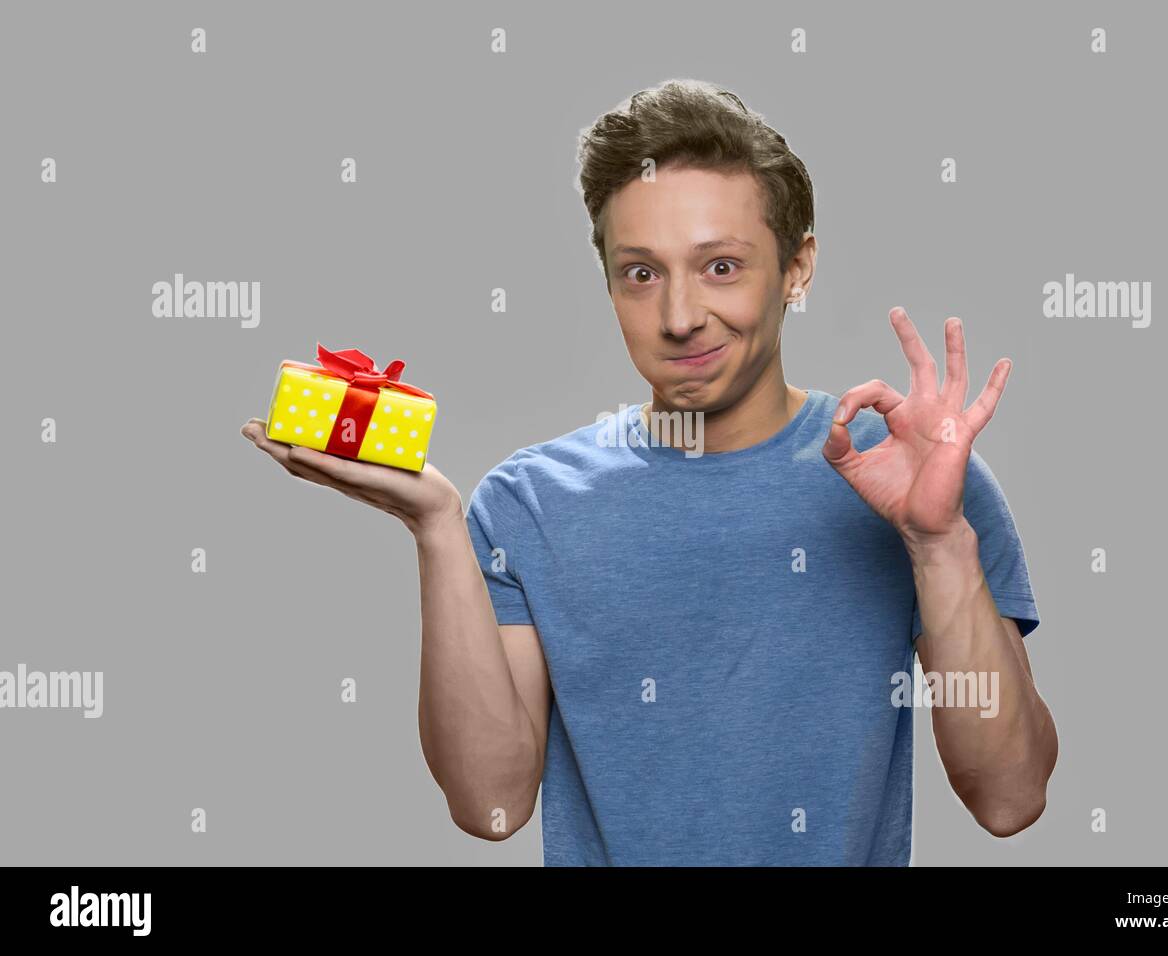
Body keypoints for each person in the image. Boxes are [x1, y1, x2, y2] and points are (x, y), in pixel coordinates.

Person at [242, 78, 1057, 866]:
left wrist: (939, 543)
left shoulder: (913, 481)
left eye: (722, 267)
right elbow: (489, 806)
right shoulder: (529, 502)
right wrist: (436, 528)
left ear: (798, 268)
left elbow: (1011, 799)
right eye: (642, 273)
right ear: (608, 282)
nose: (677, 316)